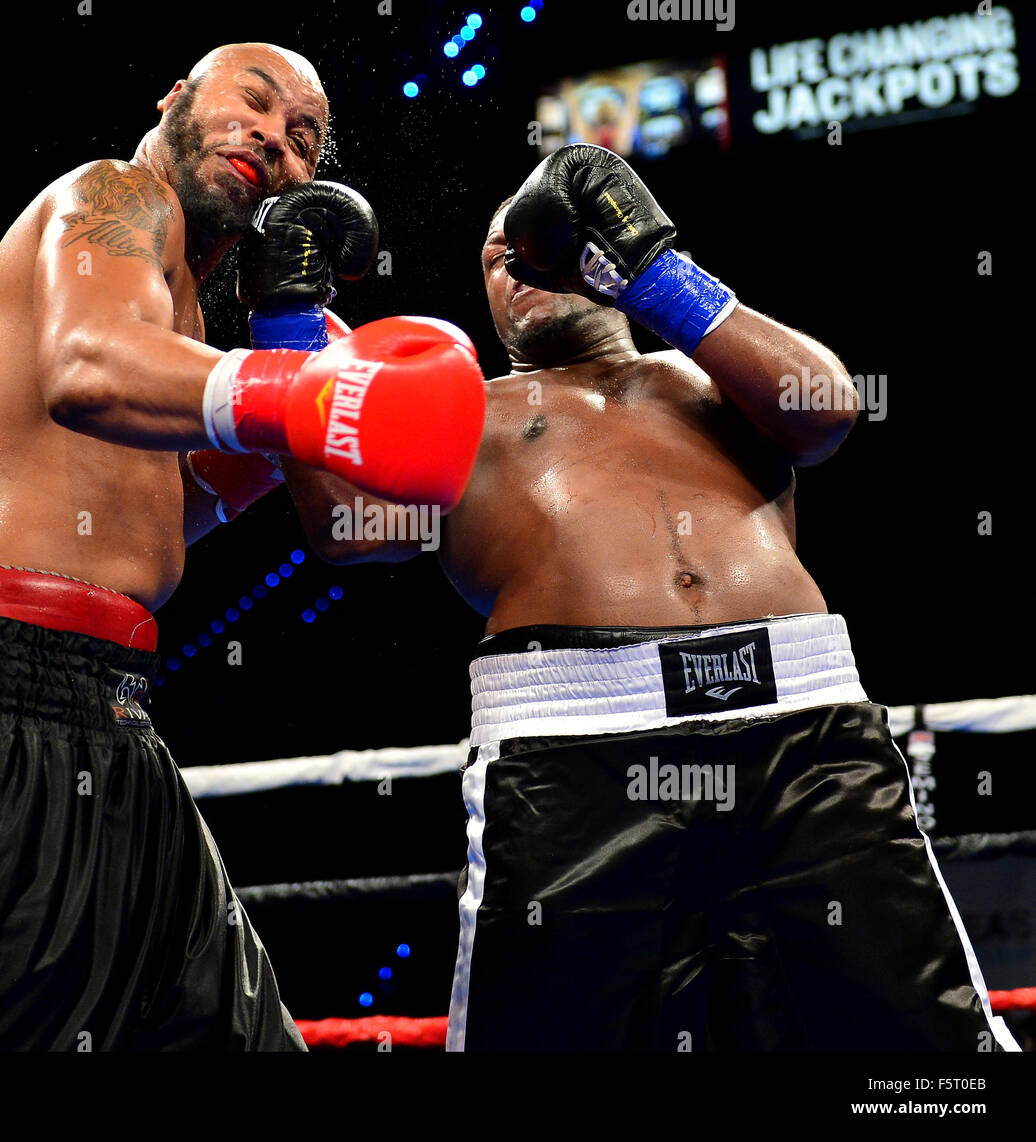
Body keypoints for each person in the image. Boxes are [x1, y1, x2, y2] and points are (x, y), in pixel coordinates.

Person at [0, 41, 485, 1051]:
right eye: (253, 102)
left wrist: (294, 331)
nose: (273, 136)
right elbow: (87, 368)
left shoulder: (182, 330)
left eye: (304, 139)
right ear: (176, 97)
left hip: (108, 708)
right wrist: (305, 392)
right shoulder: (111, 200)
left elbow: (355, 533)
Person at [283, 144, 1019, 1052]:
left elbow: (827, 410)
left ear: (597, 253)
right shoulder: (465, 413)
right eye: (496, 257)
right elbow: (344, 530)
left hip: (807, 731)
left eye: (536, 241)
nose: (517, 263)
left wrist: (655, 270)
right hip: (574, 755)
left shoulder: (713, 379)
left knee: (919, 1052)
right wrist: (286, 326)